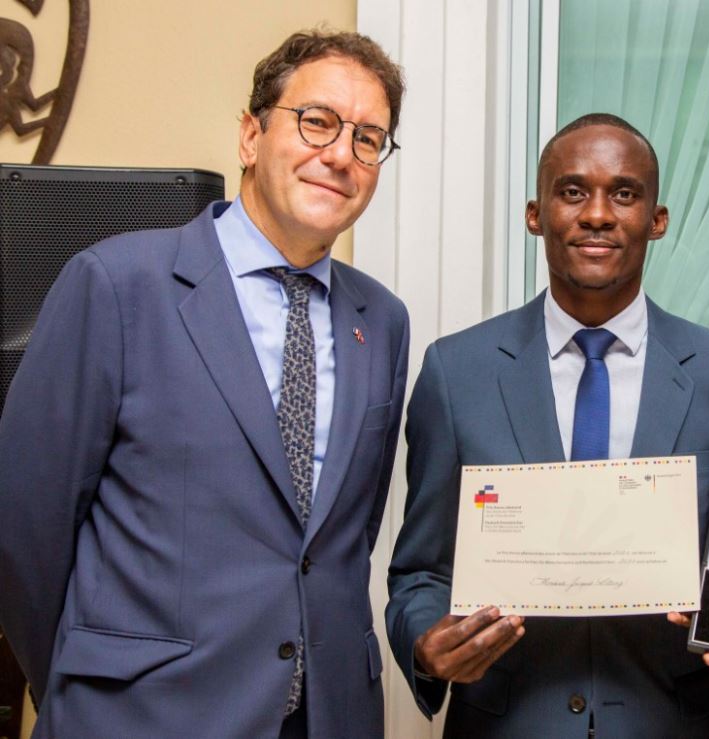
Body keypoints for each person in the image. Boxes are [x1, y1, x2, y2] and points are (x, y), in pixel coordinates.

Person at [0, 29, 408, 739]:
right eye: (316, 121)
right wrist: (82, 686)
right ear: (250, 135)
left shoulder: (382, 320)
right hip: (143, 716)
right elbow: (23, 529)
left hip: (326, 718)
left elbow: (337, 539)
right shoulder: (117, 284)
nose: (340, 154)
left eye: (368, 138)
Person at [386, 113, 709, 737]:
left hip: (666, 721)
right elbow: (420, 570)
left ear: (657, 219)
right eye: (572, 191)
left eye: (624, 193)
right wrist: (427, 645)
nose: (597, 213)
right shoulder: (458, 373)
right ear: (536, 214)